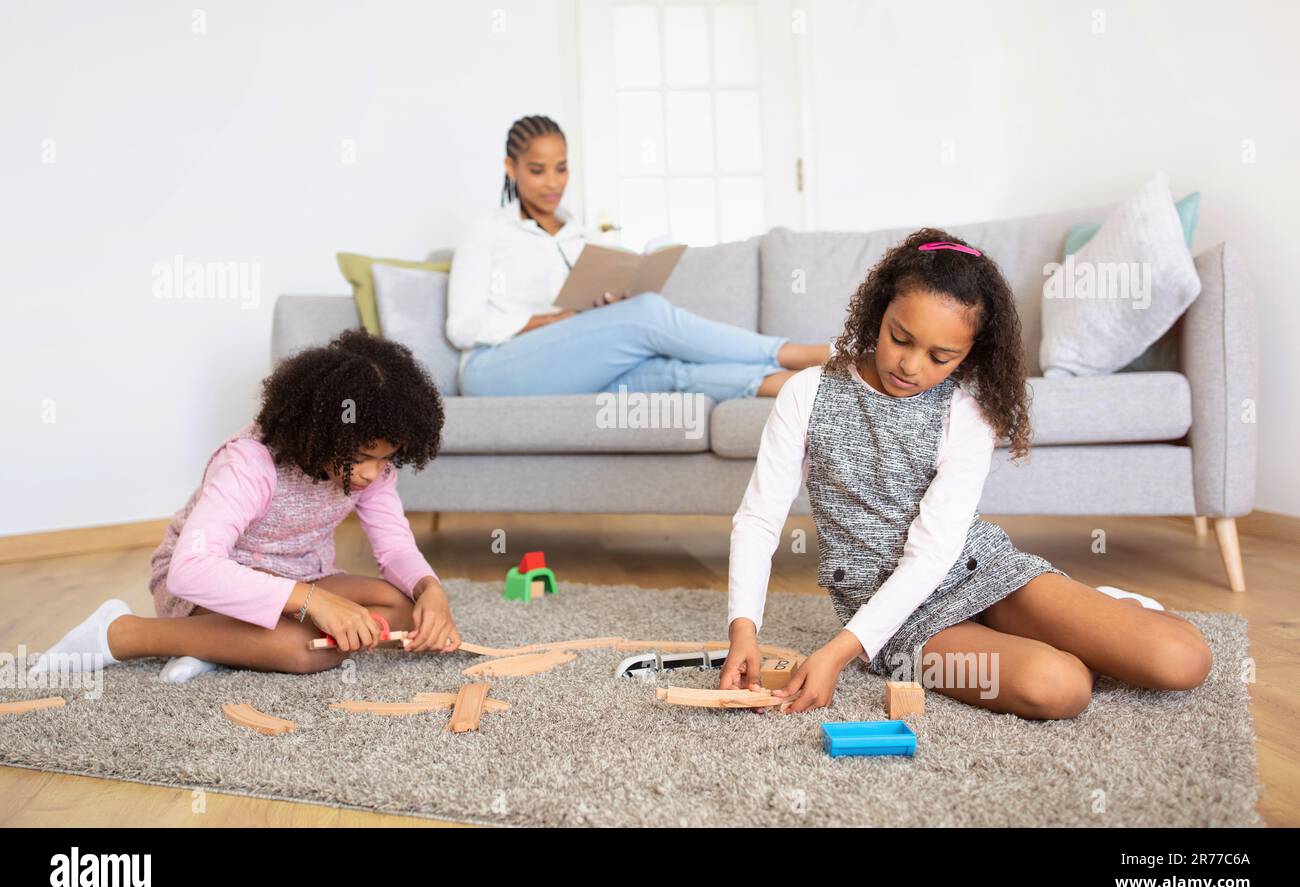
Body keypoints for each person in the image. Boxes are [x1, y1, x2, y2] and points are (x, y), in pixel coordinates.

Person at [721, 228, 1213, 719]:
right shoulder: (808, 393)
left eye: (940, 357)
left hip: (977, 569)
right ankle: (1061, 637)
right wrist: (744, 628)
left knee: (1184, 659)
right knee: (1060, 688)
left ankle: (1100, 611)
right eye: (900, 338)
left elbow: (933, 552)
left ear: (969, 354)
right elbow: (760, 520)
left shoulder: (967, 412)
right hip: (900, 622)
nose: (910, 365)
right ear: (879, 313)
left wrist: (834, 653)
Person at [28, 330, 458, 683]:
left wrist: (430, 589)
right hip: (207, 587)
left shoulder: (375, 472)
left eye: (386, 458)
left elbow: (394, 546)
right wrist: (314, 603)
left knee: (401, 609)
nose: (372, 473)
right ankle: (123, 633)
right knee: (302, 650)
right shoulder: (251, 461)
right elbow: (191, 569)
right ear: (322, 432)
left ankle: (220, 645)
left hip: (302, 577)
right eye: (363, 457)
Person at [446, 114, 830, 402]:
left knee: (666, 373)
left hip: (566, 365)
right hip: (493, 369)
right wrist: (546, 322)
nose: (552, 182)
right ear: (510, 168)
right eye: (537, 170)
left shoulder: (577, 233)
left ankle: (806, 383)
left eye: (561, 169)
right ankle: (793, 351)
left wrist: (601, 306)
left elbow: (577, 317)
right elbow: (462, 328)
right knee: (647, 312)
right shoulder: (487, 230)